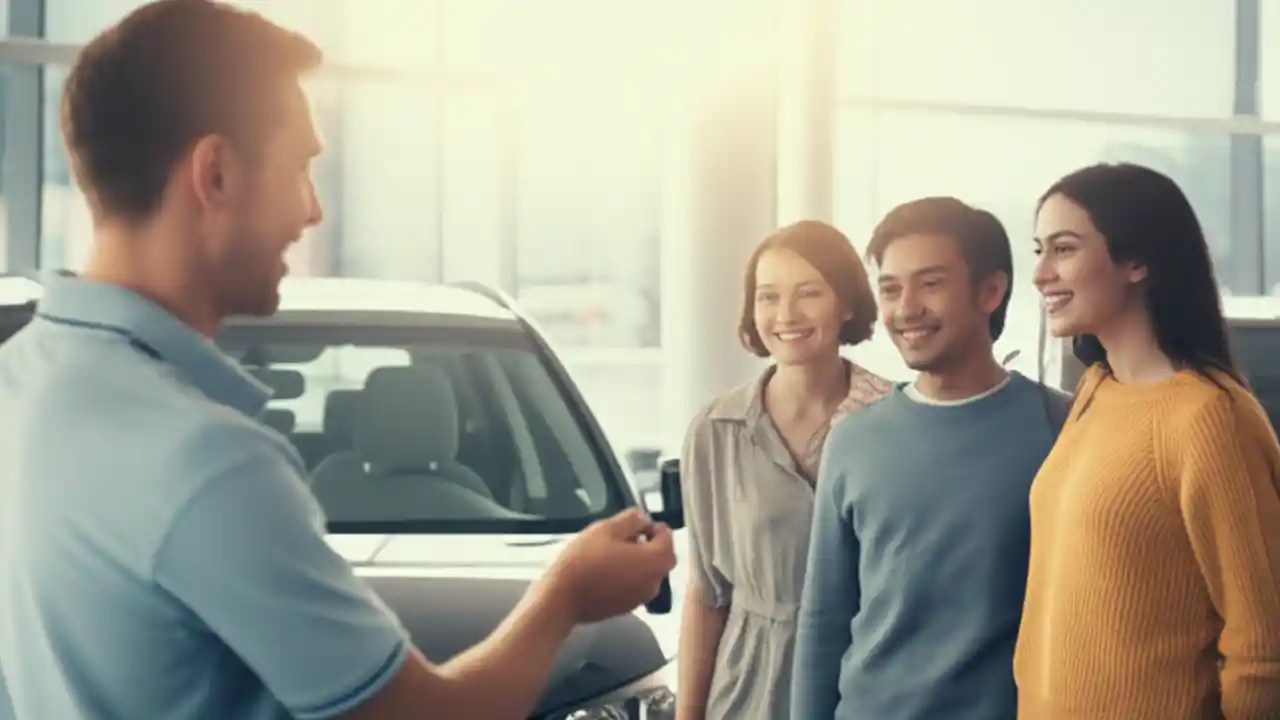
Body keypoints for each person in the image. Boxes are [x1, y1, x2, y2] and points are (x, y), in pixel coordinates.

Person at [0, 2, 675, 719]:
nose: (312, 210)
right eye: (301, 167)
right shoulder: (206, 459)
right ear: (217, 173)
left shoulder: (23, 378)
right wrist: (564, 595)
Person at [1014, 162, 1280, 719]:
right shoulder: (1096, 390)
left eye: (1063, 248)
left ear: (1137, 261)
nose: (1039, 273)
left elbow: (1262, 648)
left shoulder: (1211, 418)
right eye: (1038, 248)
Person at [790, 197, 1070, 719]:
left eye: (931, 284)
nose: (907, 308)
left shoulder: (1062, 428)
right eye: (891, 288)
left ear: (990, 291)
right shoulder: (853, 438)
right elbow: (824, 618)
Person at [676, 220, 892, 719]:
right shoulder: (717, 429)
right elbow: (707, 596)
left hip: (870, 684)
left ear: (847, 303)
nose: (786, 314)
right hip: (749, 692)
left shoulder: (896, 420)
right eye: (768, 296)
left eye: (809, 293)